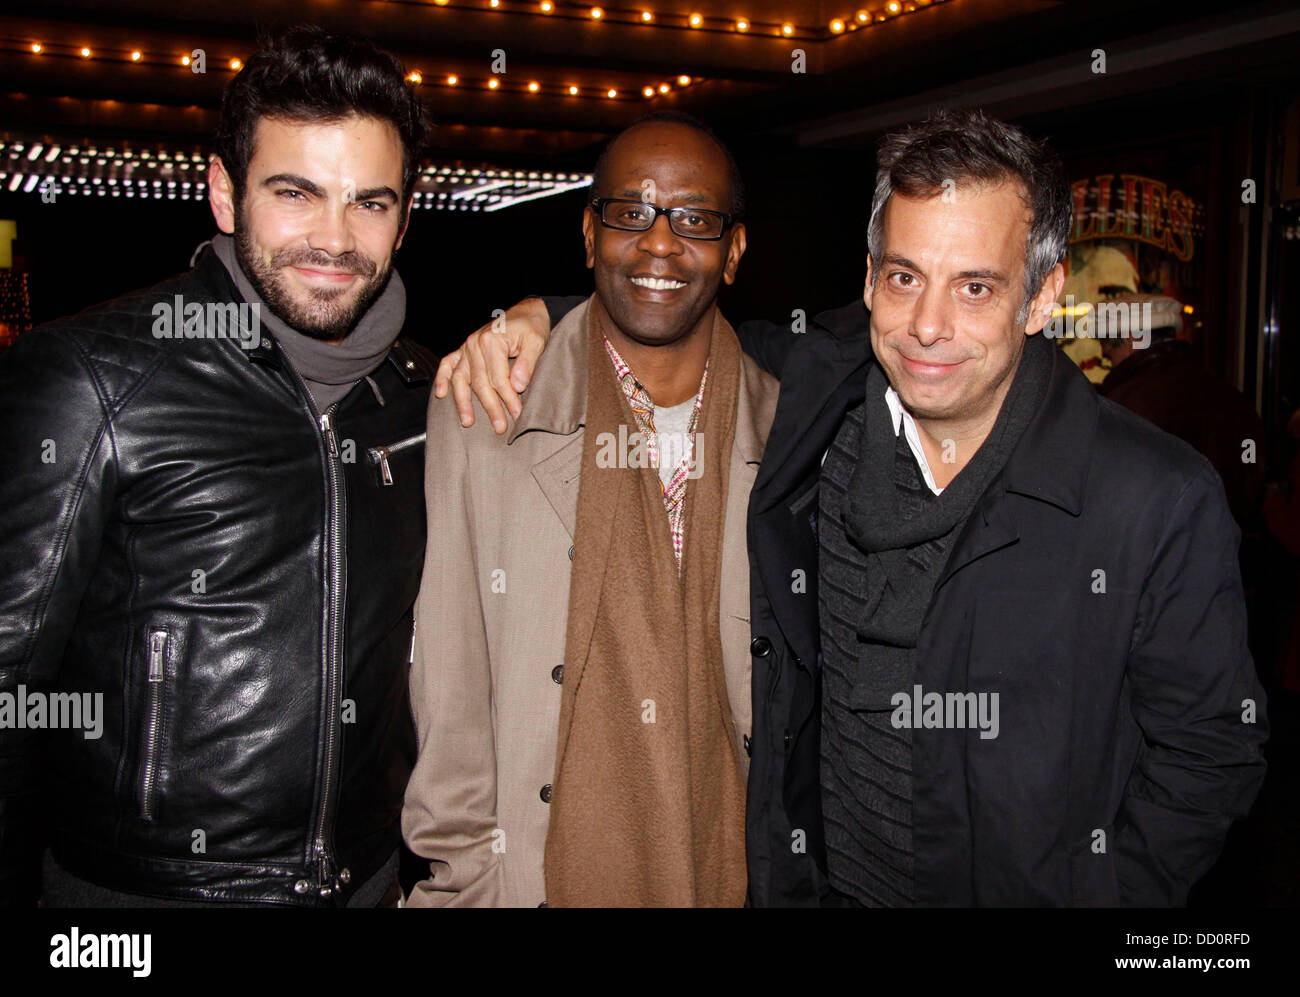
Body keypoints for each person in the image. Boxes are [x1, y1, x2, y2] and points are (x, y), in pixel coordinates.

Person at [438, 108, 1269, 906]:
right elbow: (672, 321)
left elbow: (1213, 750)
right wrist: (543, 317)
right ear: (870, 278)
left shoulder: (1151, 497)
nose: (928, 326)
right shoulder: (817, 409)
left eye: (976, 287)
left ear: (1044, 295)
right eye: (905, 277)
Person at [0, 25, 434, 907]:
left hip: (370, 884)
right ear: (225, 195)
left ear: (406, 213)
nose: (335, 238)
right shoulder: (95, 380)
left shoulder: (425, 396)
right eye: (295, 193)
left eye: (370, 202)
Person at [400, 113, 779, 907]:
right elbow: (451, 693)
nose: (660, 243)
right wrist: (465, 883)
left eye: (695, 219)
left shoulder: (789, 431)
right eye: (630, 214)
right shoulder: (485, 408)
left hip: (734, 875)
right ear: (588, 232)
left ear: (734, 251)